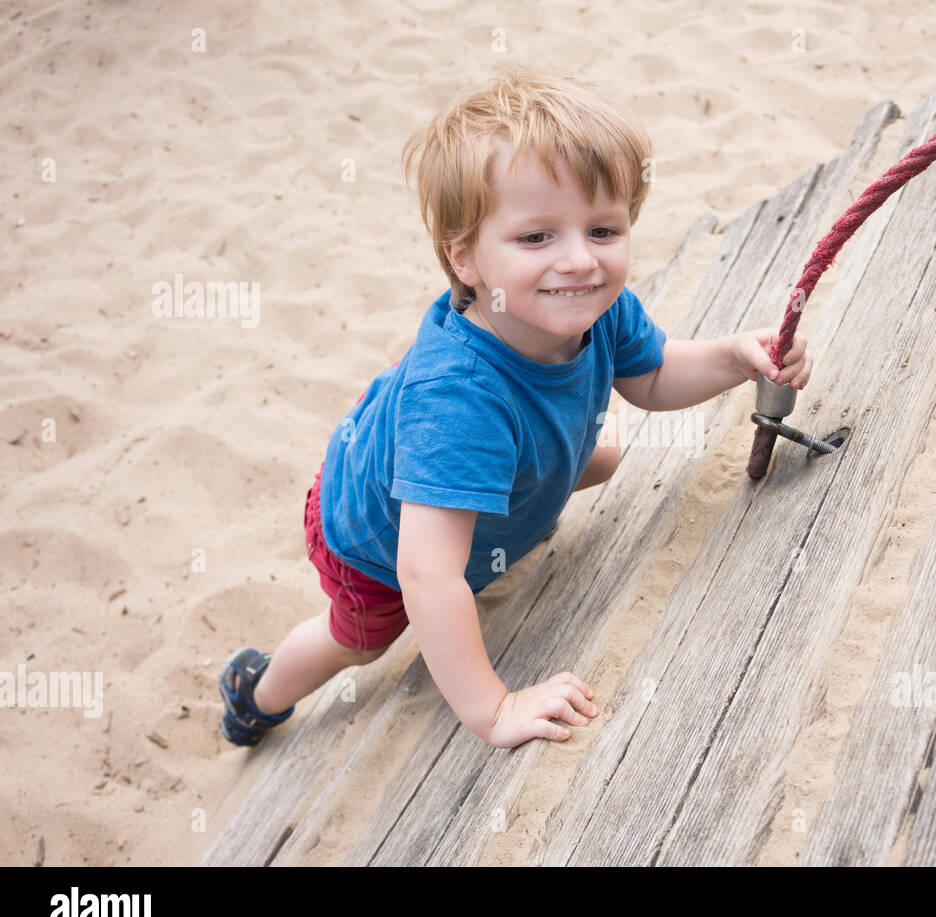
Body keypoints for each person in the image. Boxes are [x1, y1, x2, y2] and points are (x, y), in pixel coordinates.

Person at [218, 66, 813, 751]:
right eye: (537, 238)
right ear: (464, 257)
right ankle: (257, 694)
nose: (579, 261)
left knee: (606, 451)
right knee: (356, 642)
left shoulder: (595, 308)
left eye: (602, 229)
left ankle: (500, 461)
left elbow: (651, 377)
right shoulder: (458, 402)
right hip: (373, 544)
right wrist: (493, 708)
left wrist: (737, 358)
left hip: (438, 443)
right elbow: (428, 575)